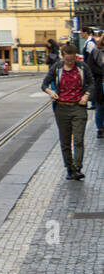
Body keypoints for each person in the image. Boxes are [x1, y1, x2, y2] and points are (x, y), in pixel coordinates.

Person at [42, 44, 94, 181]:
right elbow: (44, 84)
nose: (70, 63)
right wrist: (51, 92)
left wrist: (86, 95)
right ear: (63, 56)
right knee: (65, 142)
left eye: (72, 60)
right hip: (62, 108)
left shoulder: (82, 67)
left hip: (78, 107)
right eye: (67, 60)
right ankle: (69, 169)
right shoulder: (57, 67)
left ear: (75, 57)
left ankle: (77, 168)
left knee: (78, 139)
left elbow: (92, 83)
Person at [86, 28, 104, 139]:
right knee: (100, 107)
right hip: (100, 82)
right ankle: (100, 129)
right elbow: (91, 67)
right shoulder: (96, 51)